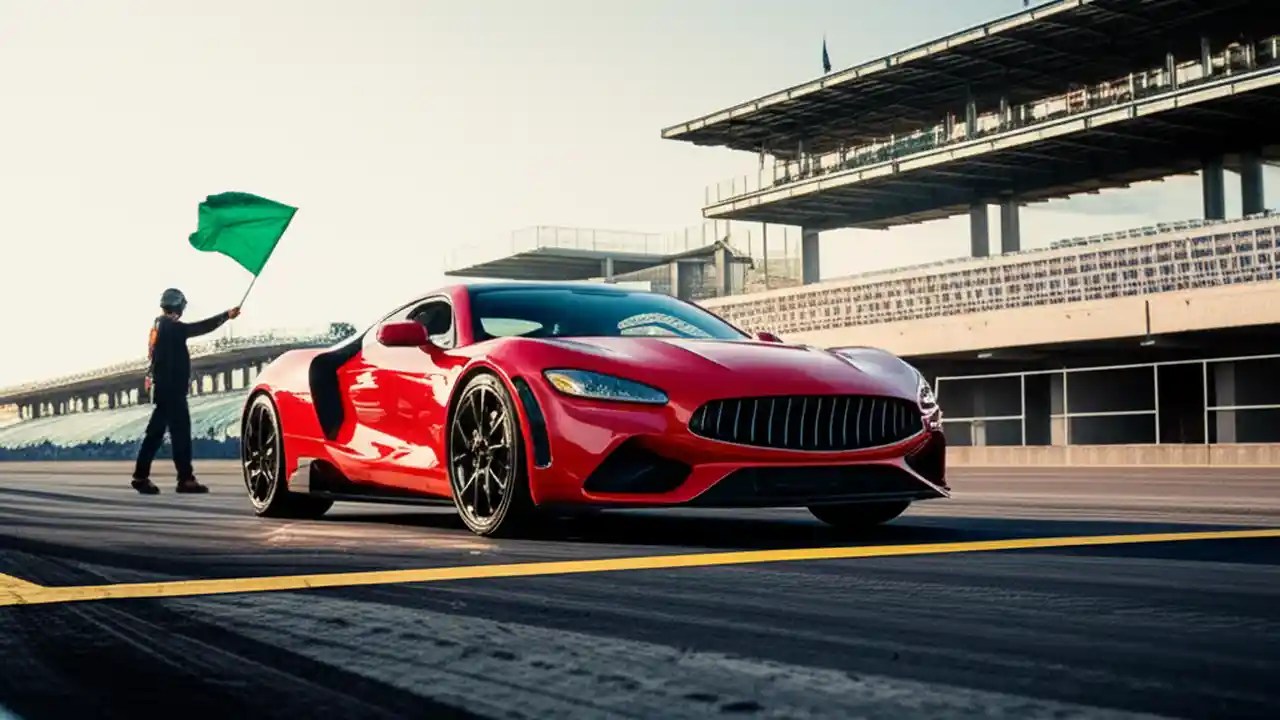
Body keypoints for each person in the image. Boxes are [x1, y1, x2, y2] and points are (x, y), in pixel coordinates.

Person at [130, 288, 241, 494]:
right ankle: (184, 479)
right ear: (179, 306)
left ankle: (142, 476)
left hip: (163, 389)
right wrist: (226, 316)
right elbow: (200, 327)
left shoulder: (158, 326)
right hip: (172, 391)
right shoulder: (171, 327)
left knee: (155, 434)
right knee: (180, 434)